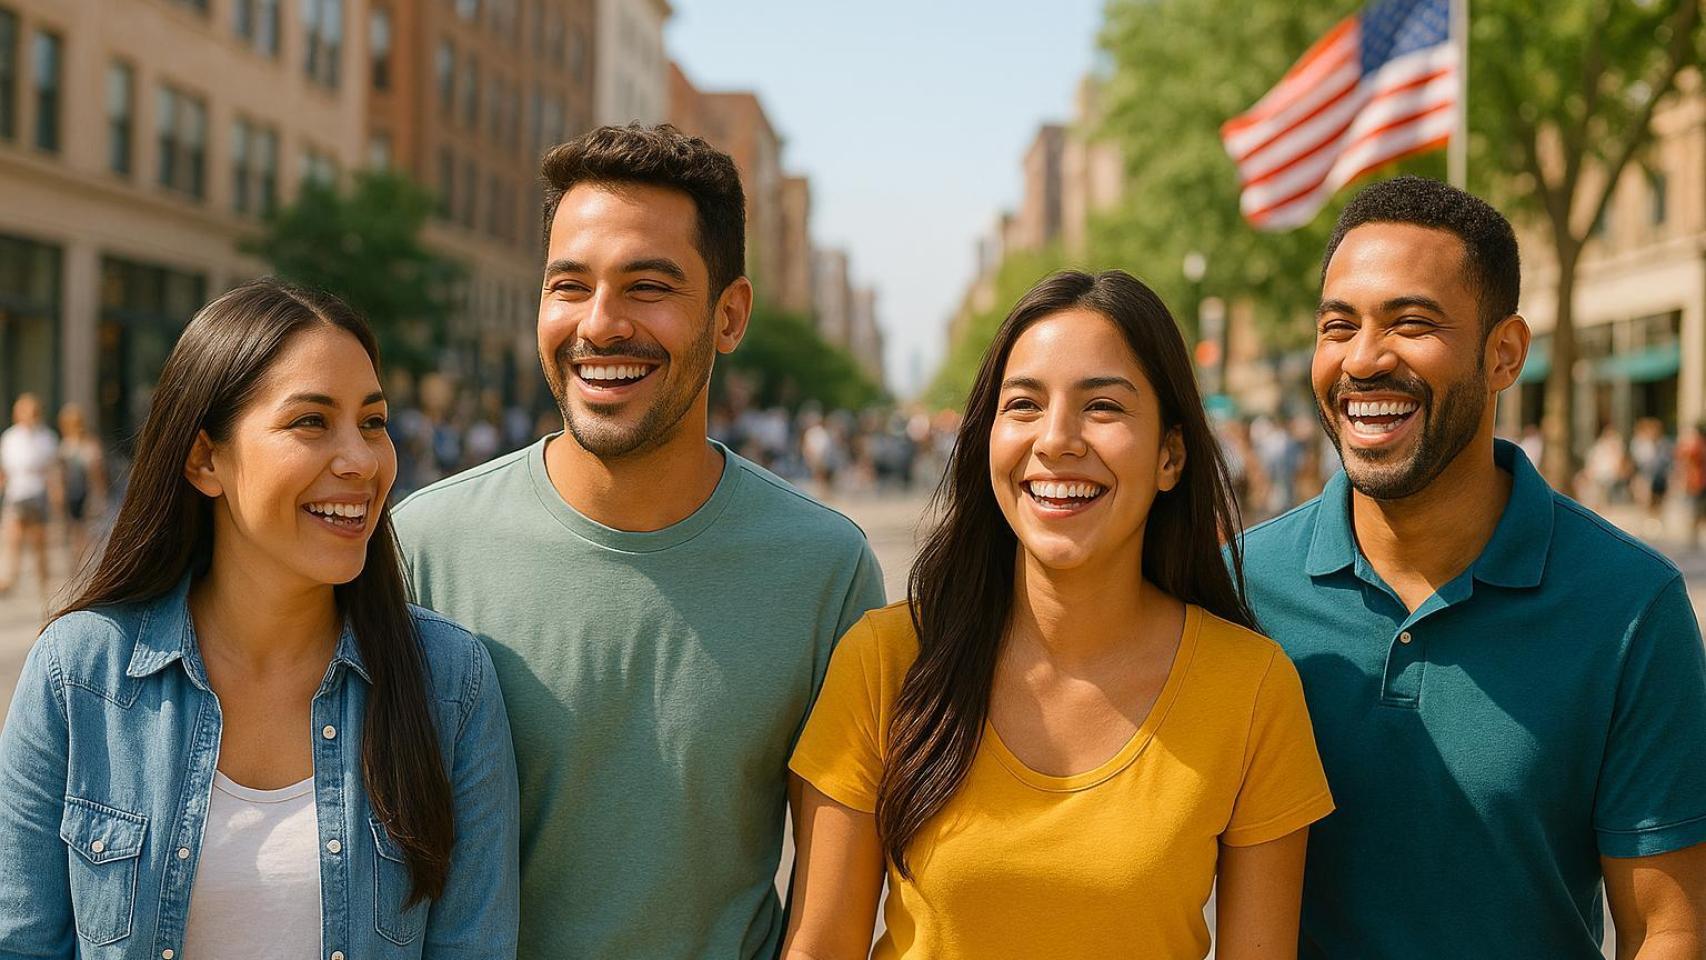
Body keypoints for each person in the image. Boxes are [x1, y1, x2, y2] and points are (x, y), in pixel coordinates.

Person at [391, 124, 885, 960]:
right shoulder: (422, 547)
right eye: (569, 285)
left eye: (648, 285)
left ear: (729, 316)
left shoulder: (825, 570)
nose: (601, 324)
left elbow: (829, 917)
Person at [783, 271, 1334, 960]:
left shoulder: (1253, 688)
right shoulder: (886, 659)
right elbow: (820, 947)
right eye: (1024, 405)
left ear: (1171, 455)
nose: (1057, 439)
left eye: (1102, 406)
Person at [1238, 175, 1706, 957]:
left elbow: (1667, 928)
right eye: (1338, 325)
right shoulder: (1239, 586)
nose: (1363, 359)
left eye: (1411, 323)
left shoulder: (1632, 607)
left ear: (1505, 354)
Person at [0, 279, 519, 958]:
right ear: (204, 458)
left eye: (372, 421)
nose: (362, 460)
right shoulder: (78, 675)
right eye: (311, 421)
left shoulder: (451, 683)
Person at [0, 392, 62, 598]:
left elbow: (53, 471)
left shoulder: (47, 438)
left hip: (37, 493)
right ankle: (10, 578)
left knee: (39, 543)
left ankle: (44, 583)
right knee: (13, 540)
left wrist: (56, 497)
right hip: (16, 493)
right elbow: (4, 471)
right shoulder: (10, 437)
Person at [56, 403, 108, 562]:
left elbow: (98, 474)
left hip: (87, 493)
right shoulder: (65, 446)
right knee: (75, 531)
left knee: (87, 531)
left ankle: (85, 563)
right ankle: (77, 563)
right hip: (71, 494)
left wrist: (100, 495)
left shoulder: (90, 445)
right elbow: (61, 475)